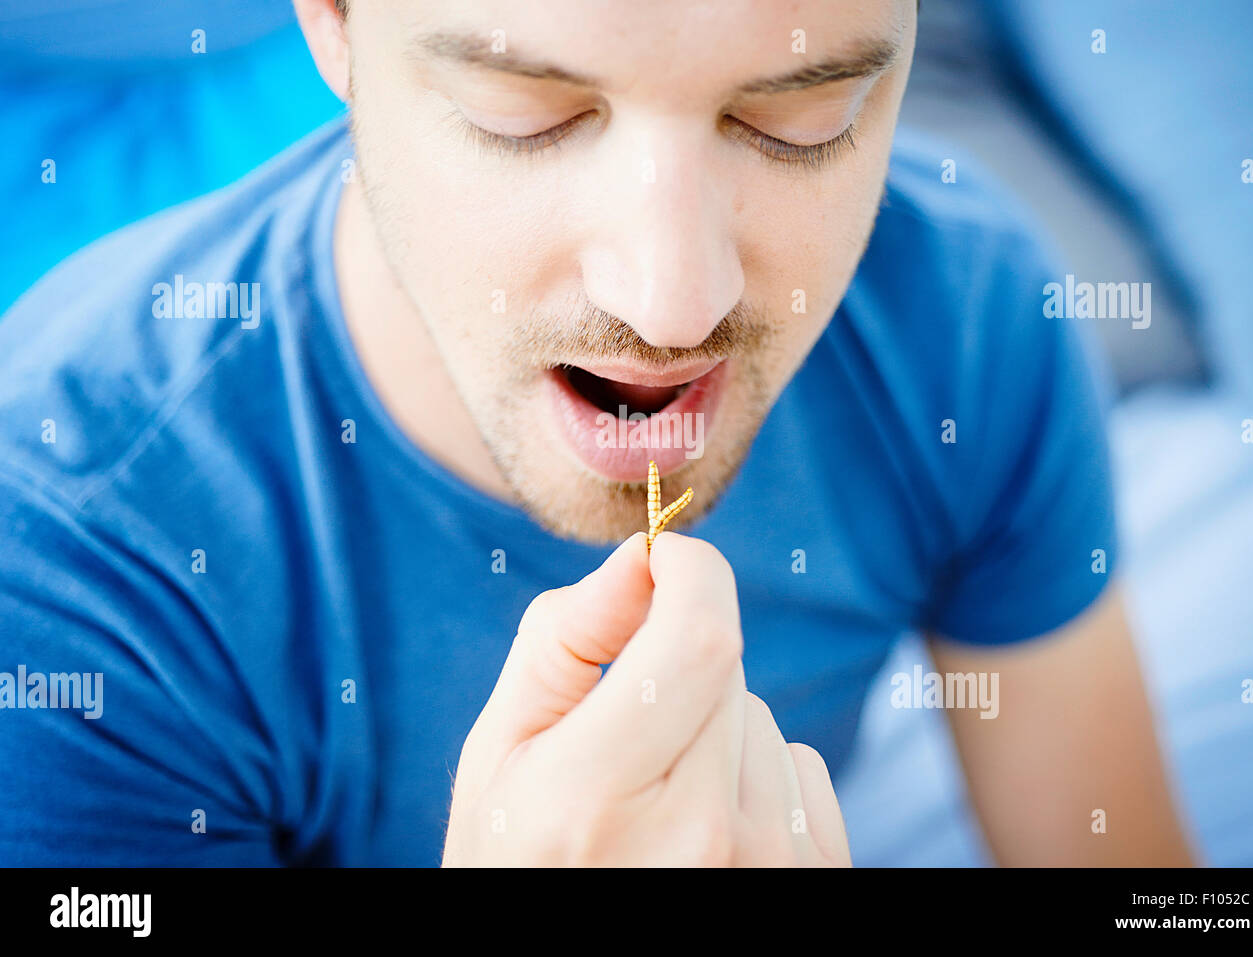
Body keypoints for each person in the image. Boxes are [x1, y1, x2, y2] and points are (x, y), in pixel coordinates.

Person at [0, 0, 1192, 866]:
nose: (674, 308)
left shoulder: (967, 312)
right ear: (335, 27)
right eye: (523, 115)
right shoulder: (67, 557)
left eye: (803, 120)